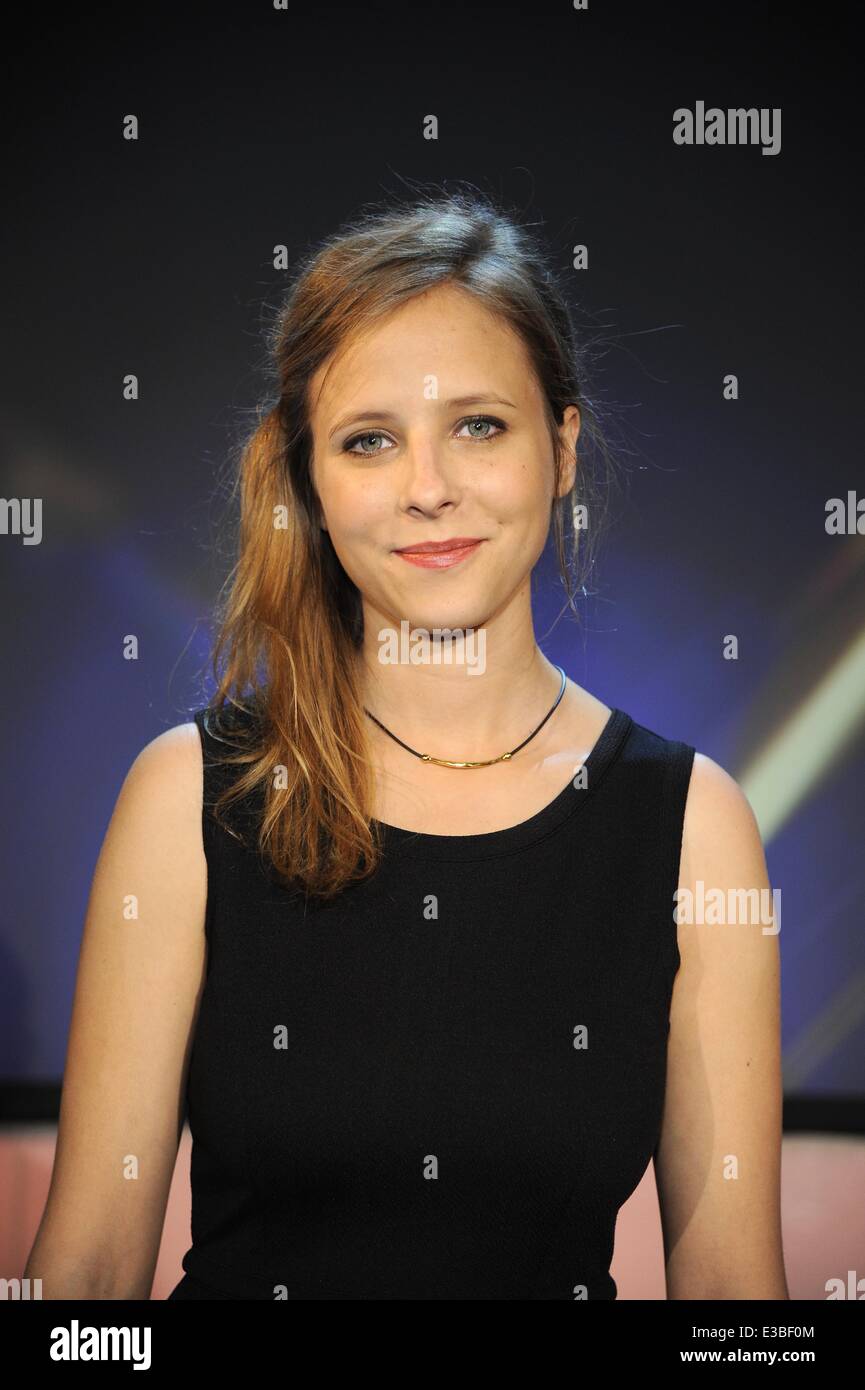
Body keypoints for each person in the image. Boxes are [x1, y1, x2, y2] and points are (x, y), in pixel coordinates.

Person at [24, 188, 789, 1300]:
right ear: (309, 484)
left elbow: (733, 1309)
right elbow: (85, 1281)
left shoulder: (692, 826)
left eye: (478, 425)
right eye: (370, 441)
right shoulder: (192, 794)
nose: (429, 489)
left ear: (561, 447)